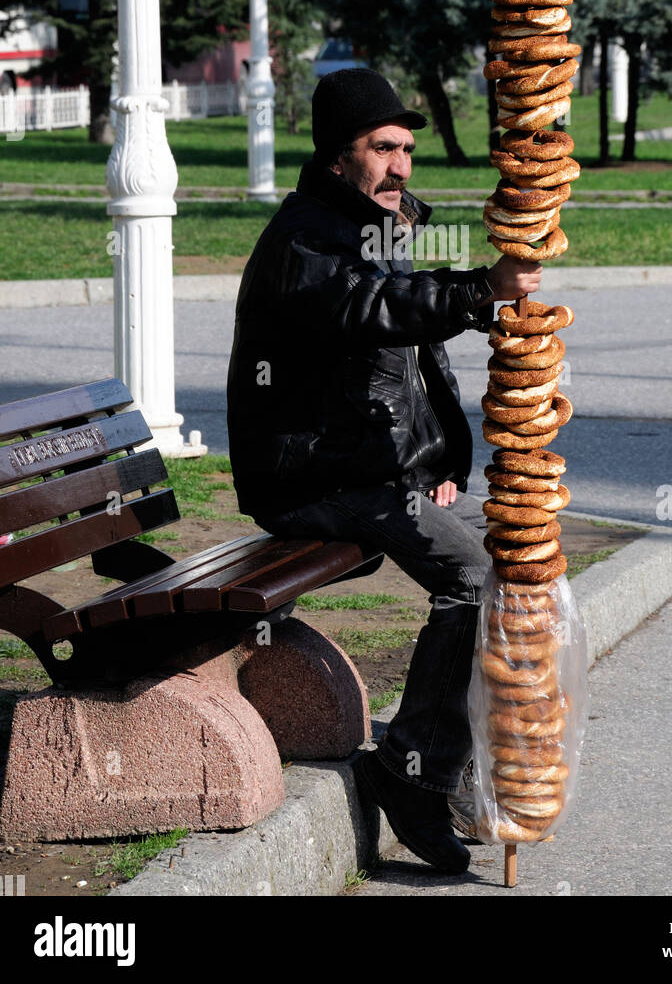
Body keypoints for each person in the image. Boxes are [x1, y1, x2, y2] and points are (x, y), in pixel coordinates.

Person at [226, 68, 541, 873]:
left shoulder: (373, 226)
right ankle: (413, 774)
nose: (400, 166)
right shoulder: (306, 241)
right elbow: (371, 311)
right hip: (311, 478)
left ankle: (451, 764)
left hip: (364, 467)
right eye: (381, 149)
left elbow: (407, 366)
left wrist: (436, 461)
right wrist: (478, 290)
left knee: (518, 552)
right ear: (339, 158)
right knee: (470, 576)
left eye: (405, 148)